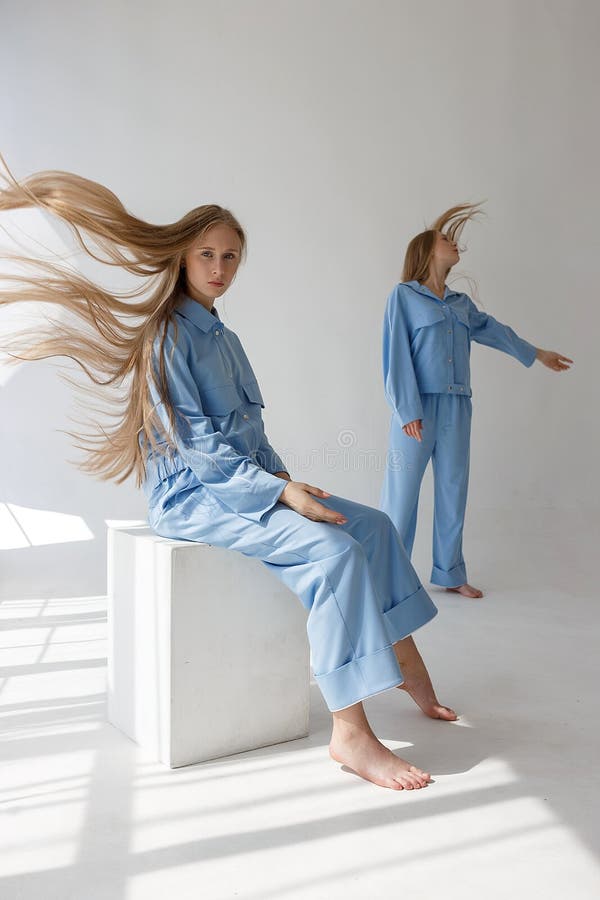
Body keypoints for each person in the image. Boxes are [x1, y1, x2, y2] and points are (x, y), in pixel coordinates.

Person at [1, 161, 456, 791]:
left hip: (247, 483)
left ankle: (406, 664)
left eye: (231, 257)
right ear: (182, 257)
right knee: (333, 554)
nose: (219, 268)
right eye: (207, 254)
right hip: (193, 497)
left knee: (373, 526)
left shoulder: (225, 338)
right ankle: (350, 732)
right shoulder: (167, 337)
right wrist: (279, 493)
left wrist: (287, 481)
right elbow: (198, 449)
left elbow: (252, 435)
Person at [380, 204, 573, 599]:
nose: (454, 244)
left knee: (453, 489)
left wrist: (538, 353)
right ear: (426, 250)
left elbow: (496, 332)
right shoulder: (404, 297)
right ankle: (389, 579)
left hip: (457, 407)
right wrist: (407, 409)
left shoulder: (460, 304)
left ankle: (450, 572)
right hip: (417, 409)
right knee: (402, 495)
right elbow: (395, 355)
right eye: (445, 239)